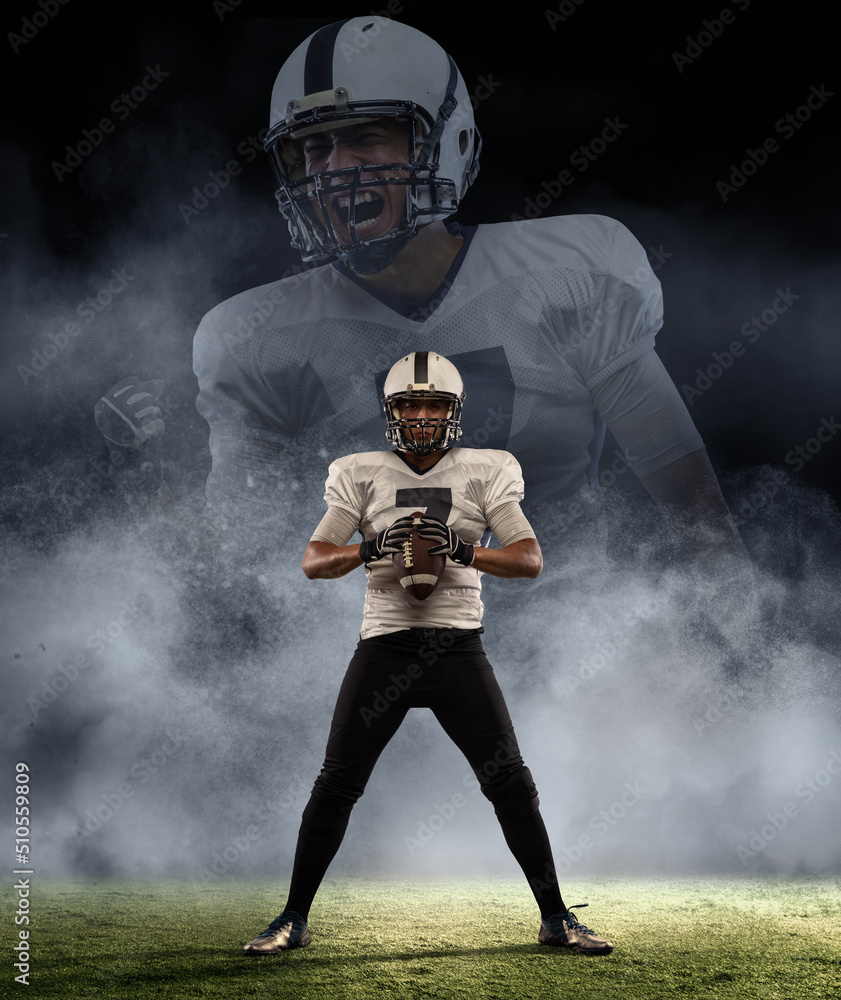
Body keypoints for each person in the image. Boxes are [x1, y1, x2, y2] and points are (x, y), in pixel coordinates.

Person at [242, 351, 613, 957]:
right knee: (336, 785)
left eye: (434, 404)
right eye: (409, 404)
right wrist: (372, 548)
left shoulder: (486, 470)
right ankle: (291, 918)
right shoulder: (360, 473)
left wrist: (462, 552)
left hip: (456, 649)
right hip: (384, 647)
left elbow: (528, 559)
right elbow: (313, 561)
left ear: (454, 411)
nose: (420, 415)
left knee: (511, 785)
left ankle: (555, 917)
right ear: (390, 411)